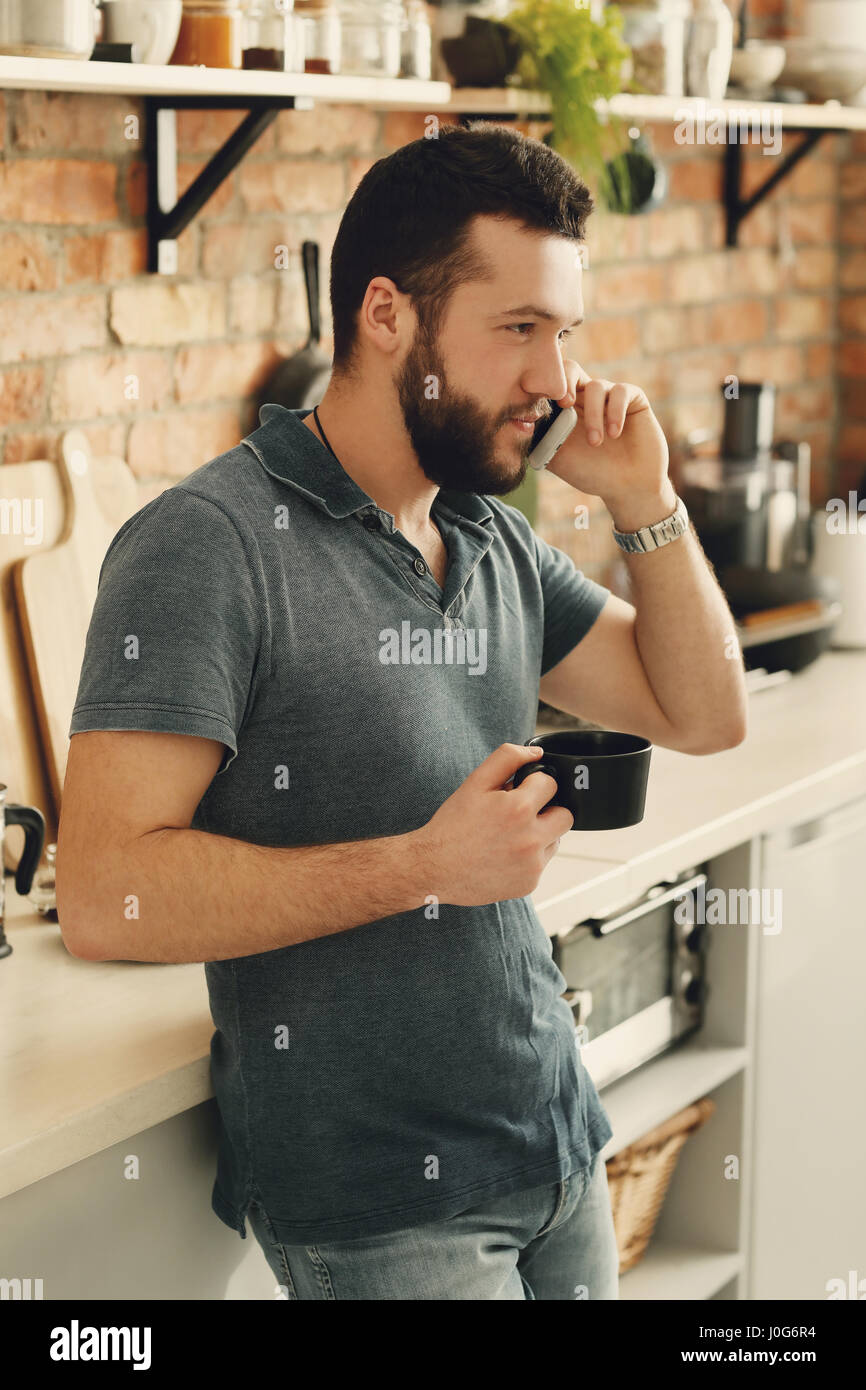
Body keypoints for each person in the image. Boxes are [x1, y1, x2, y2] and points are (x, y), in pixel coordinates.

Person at [56, 121, 747, 1300]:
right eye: (516, 329)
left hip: (555, 1144)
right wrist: (423, 862)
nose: (553, 377)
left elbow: (702, 713)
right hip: (386, 1213)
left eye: (562, 333)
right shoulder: (207, 546)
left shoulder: (487, 535)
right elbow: (104, 895)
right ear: (387, 316)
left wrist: (645, 502)